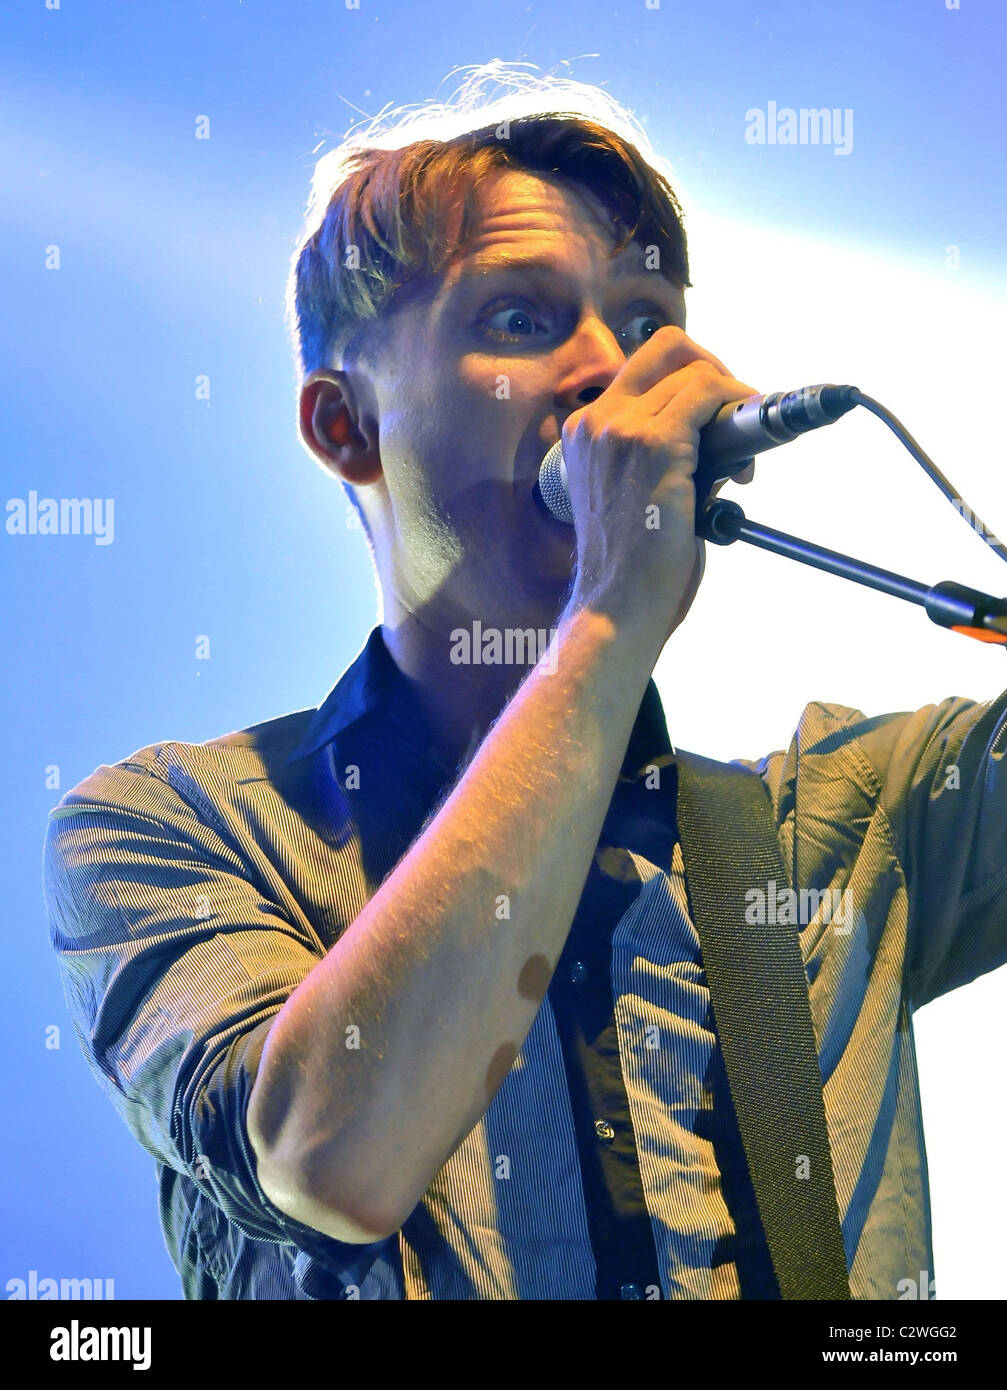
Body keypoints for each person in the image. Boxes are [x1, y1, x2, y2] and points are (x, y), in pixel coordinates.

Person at [43, 63, 1007, 1300]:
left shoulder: (850, 820)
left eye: (647, 320)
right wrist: (606, 624)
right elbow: (327, 1157)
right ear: (345, 426)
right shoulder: (174, 824)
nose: (614, 368)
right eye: (517, 318)